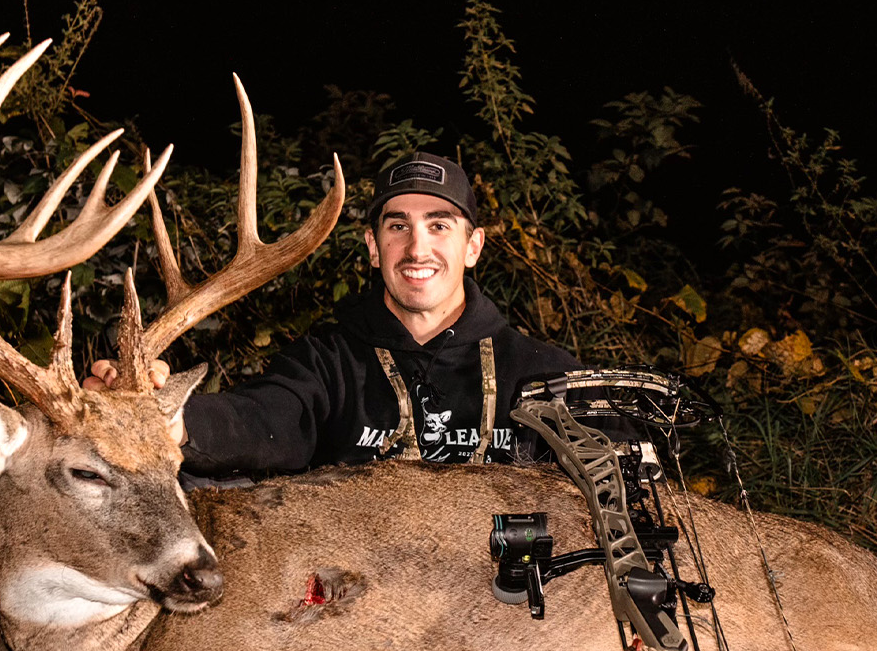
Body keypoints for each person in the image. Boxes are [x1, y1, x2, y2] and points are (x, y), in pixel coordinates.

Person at [86, 151, 584, 474]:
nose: (416, 249)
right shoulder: (326, 363)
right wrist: (173, 416)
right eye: (397, 227)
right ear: (372, 246)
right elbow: (265, 419)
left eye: (439, 226)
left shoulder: (542, 372)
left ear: (473, 245)